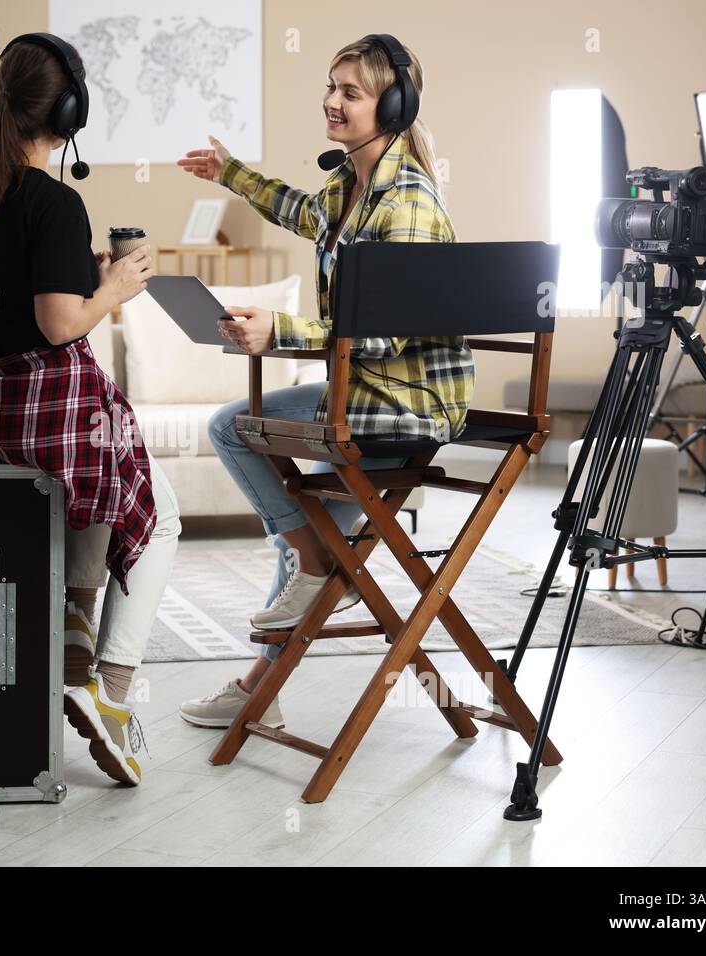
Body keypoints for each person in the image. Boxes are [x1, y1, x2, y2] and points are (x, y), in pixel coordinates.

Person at [173, 35, 468, 729]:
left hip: (408, 403)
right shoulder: (349, 185)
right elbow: (297, 210)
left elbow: (390, 337)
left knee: (233, 429)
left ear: (393, 105)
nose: (333, 102)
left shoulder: (410, 203)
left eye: (352, 92)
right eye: (331, 87)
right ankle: (260, 686)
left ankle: (293, 601)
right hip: (363, 393)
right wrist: (228, 171)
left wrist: (284, 332)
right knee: (322, 539)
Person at [0, 34, 180, 785]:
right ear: (69, 112)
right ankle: (107, 684)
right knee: (154, 505)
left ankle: (75, 623)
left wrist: (85, 276)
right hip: (48, 416)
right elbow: (57, 325)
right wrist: (115, 289)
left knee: (102, 448)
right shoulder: (56, 201)